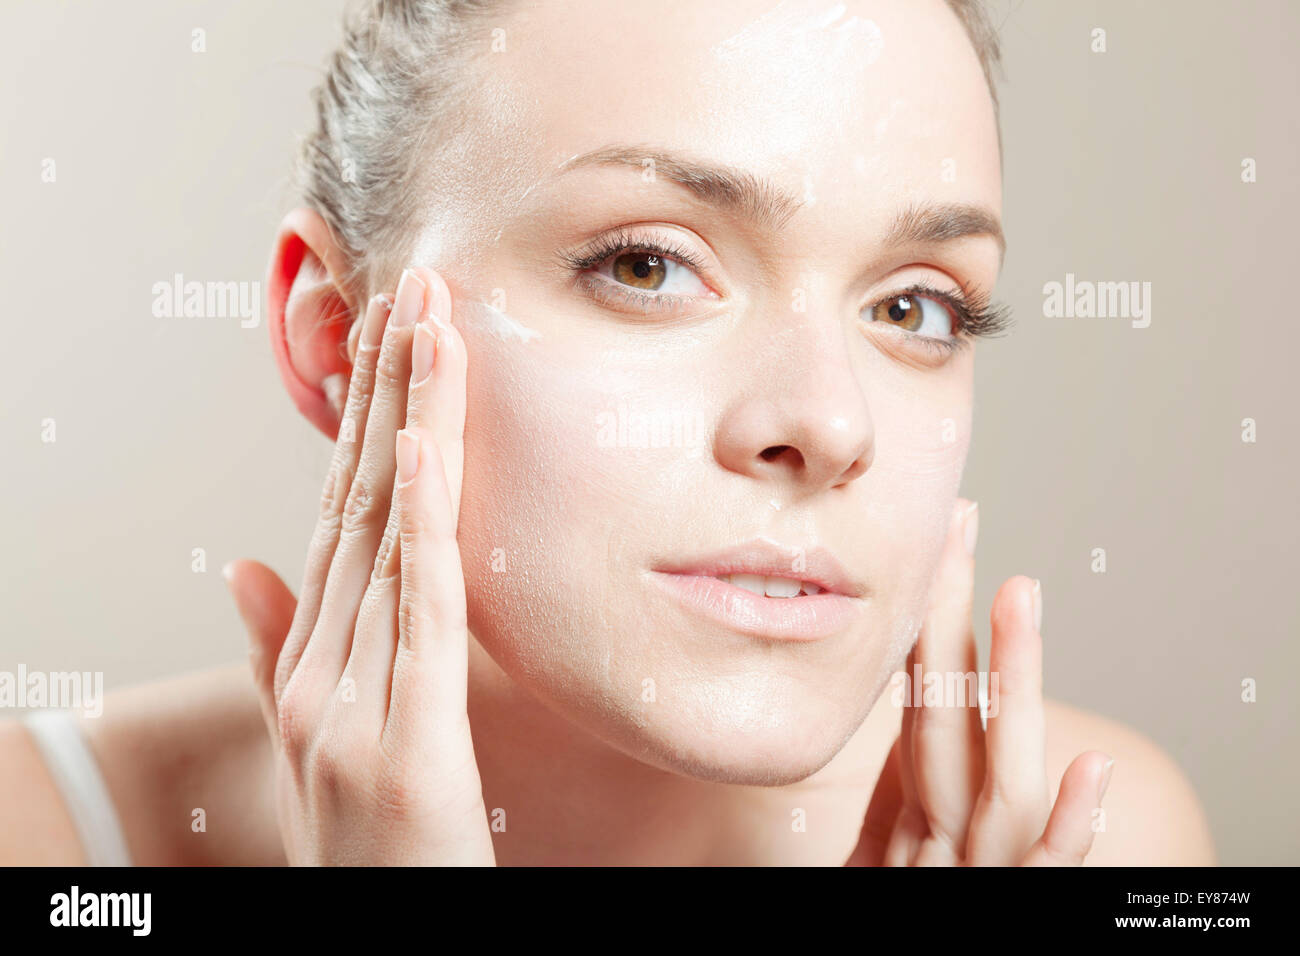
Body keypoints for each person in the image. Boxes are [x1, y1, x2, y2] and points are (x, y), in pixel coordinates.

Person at [0, 0, 1214, 866]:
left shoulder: (1094, 831)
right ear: (335, 334)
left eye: (914, 306)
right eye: (646, 265)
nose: (830, 424)